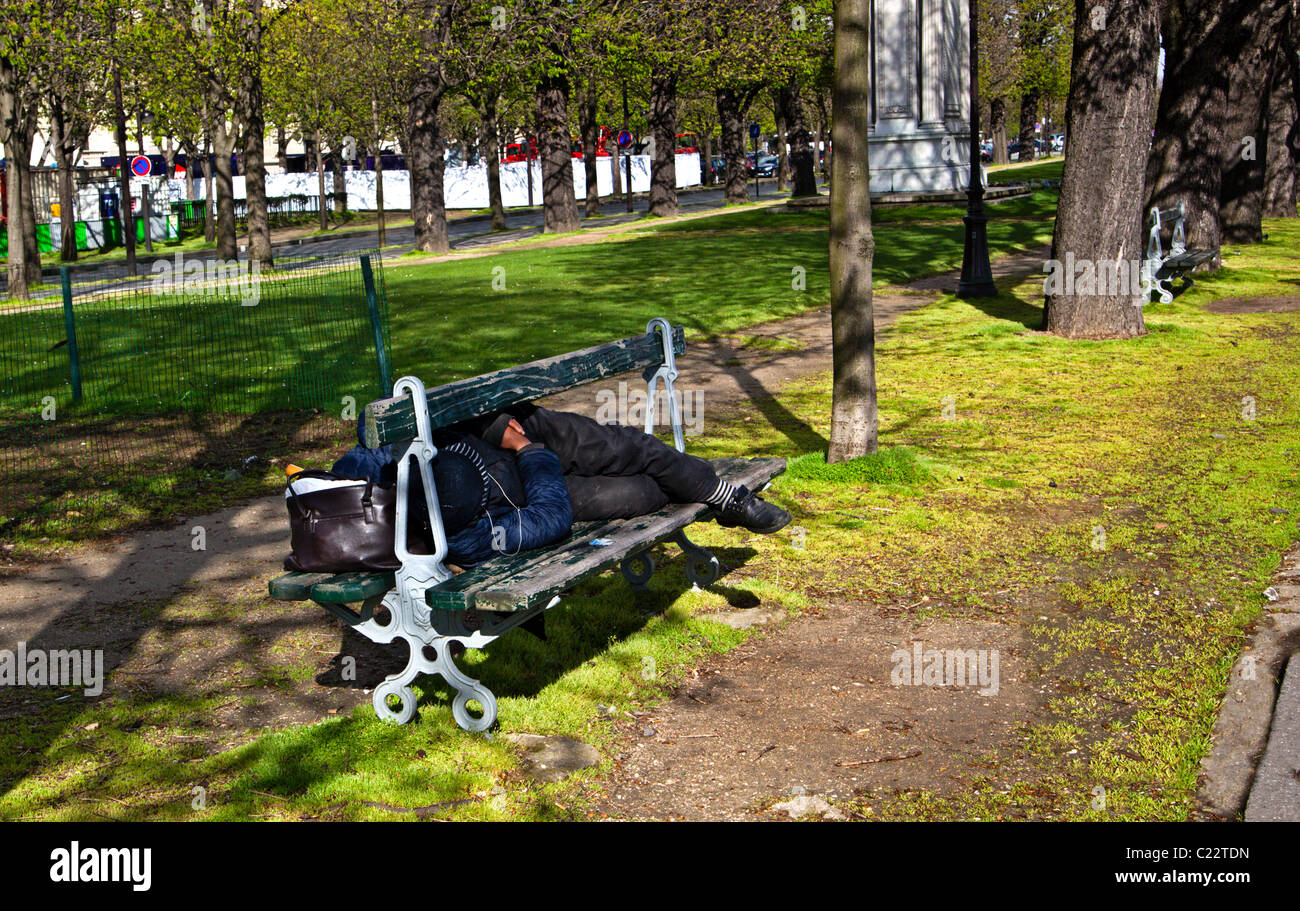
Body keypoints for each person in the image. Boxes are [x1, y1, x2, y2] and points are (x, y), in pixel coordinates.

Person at [333, 402, 791, 568]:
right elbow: (550, 520)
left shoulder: (395, 459)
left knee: (631, 446)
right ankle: (705, 491)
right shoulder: (471, 538)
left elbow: (365, 440)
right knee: (645, 494)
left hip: (524, 430)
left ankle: (728, 498)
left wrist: (504, 434)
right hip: (545, 485)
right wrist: (528, 452)